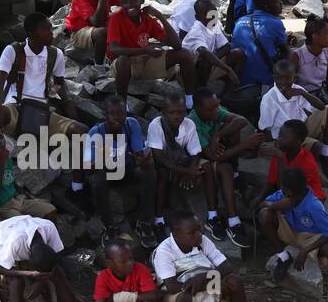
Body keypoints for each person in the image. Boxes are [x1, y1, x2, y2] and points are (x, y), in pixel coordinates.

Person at [259, 162, 328, 302]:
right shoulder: (283, 195)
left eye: (282, 188)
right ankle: (283, 256)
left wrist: (305, 250)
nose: (280, 190)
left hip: (311, 236)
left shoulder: (313, 205)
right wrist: (275, 205)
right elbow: (264, 203)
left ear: (290, 191)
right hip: (291, 232)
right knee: (264, 214)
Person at [0, 12, 85, 140]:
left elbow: (58, 84)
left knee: (80, 130)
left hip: (41, 111)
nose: (51, 32)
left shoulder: (56, 54)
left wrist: (67, 102)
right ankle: (8, 152)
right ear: (31, 33)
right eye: (45, 29)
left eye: (50, 28)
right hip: (15, 107)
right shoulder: (13, 50)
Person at [189, 89, 263, 247]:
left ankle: (233, 222)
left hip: (218, 153)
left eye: (217, 107)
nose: (216, 111)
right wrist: (245, 145)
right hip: (200, 159)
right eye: (211, 109)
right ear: (197, 108)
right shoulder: (193, 123)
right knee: (214, 168)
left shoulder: (214, 110)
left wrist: (218, 135)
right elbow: (213, 156)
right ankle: (215, 218)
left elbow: (240, 120)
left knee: (231, 128)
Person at [85, 94, 157, 249]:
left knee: (149, 172)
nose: (118, 117)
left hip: (126, 169)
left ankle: (143, 222)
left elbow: (138, 154)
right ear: (105, 114)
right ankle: (109, 226)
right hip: (106, 171)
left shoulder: (131, 124)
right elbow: (88, 165)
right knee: (98, 179)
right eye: (113, 113)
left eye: (122, 113)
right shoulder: (95, 132)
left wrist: (144, 160)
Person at [107, 0, 194, 100]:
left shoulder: (147, 19)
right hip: (126, 66)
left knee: (185, 54)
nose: (129, 5)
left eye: (133, 0)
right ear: (121, 3)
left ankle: (189, 99)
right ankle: (122, 102)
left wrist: (160, 16)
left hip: (146, 62)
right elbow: (114, 49)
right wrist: (145, 50)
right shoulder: (116, 18)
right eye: (125, 2)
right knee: (123, 60)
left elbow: (177, 45)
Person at [258, 58, 328, 177]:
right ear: (274, 77)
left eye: (288, 78)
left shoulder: (297, 90)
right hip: (286, 137)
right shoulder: (269, 99)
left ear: (294, 77)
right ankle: (306, 175)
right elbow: (264, 128)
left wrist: (302, 93)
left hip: (302, 128)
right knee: (315, 146)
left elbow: (320, 107)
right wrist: (275, 145)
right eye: (280, 78)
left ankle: (325, 155)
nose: (284, 82)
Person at [146, 90, 204, 237]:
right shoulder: (156, 125)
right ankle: (158, 218)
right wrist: (187, 172)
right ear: (164, 112)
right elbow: (158, 157)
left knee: (202, 170)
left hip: (177, 160)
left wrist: (191, 171)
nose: (178, 116)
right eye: (172, 113)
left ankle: (189, 214)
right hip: (156, 162)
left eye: (181, 112)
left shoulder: (189, 124)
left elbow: (196, 152)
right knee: (163, 174)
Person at [0, 125, 56, 222]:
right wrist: (1, 164)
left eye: (1, 137)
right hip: (4, 206)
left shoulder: (6, 156)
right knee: (26, 224)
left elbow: (11, 179)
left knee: (50, 211)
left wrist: (25, 196)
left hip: (18, 199)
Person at [231, 0, 292, 88]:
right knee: (292, 53)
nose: (281, 4)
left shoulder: (239, 21)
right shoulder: (276, 23)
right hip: (264, 80)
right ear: (266, 7)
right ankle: (286, 86)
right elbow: (284, 50)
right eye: (277, 1)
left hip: (240, 79)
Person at [183, 0, 244, 90]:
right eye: (209, 14)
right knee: (205, 60)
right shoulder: (196, 31)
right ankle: (201, 92)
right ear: (198, 17)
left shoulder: (212, 25)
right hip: (190, 70)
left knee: (238, 53)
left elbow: (226, 46)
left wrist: (214, 58)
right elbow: (203, 52)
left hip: (209, 66)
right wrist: (227, 69)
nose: (213, 17)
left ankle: (230, 92)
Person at [294, 16, 328, 106]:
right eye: (327, 33)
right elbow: (290, 86)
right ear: (315, 36)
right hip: (303, 97)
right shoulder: (297, 56)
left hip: (321, 92)